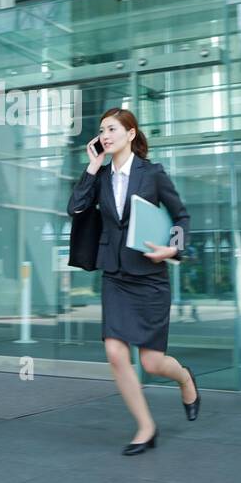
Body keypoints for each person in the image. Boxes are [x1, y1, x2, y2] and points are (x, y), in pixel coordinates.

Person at [68, 107, 200, 455]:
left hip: (149, 276)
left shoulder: (152, 173)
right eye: (101, 131)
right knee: (114, 352)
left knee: (152, 363)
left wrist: (171, 249)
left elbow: (181, 215)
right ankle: (146, 427)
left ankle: (185, 378)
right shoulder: (99, 178)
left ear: (131, 134)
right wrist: (92, 166)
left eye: (112, 129)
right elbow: (76, 208)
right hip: (116, 274)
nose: (105, 135)